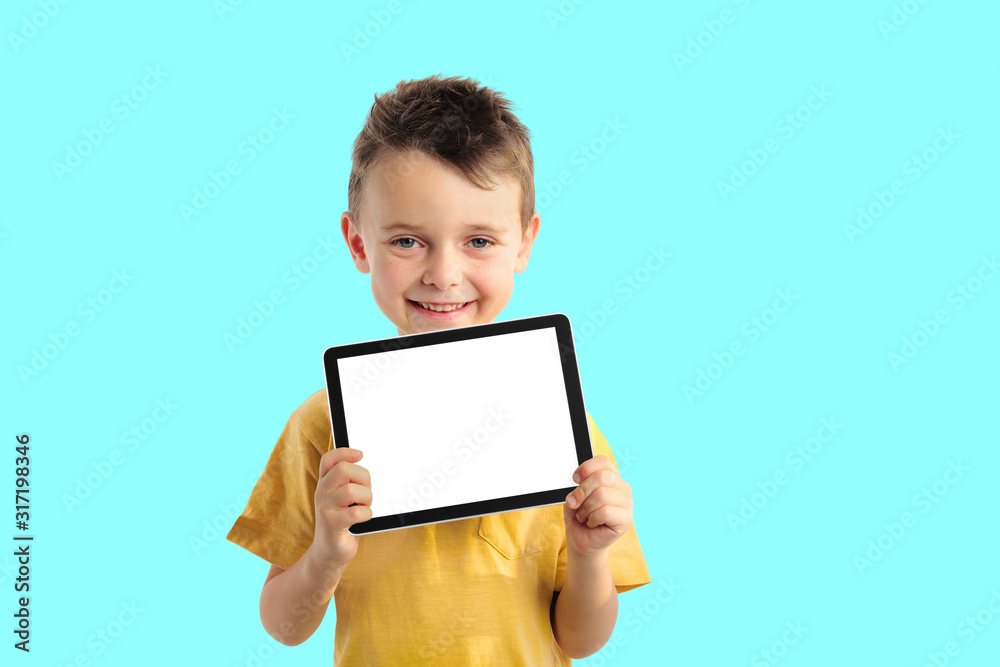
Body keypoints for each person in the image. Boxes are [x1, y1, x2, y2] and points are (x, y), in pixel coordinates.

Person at [226, 73, 651, 665]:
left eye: (479, 241)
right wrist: (325, 552)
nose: (444, 275)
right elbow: (284, 625)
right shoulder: (322, 424)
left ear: (523, 243)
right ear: (358, 244)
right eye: (407, 242)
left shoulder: (562, 424)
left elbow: (582, 639)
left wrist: (588, 554)